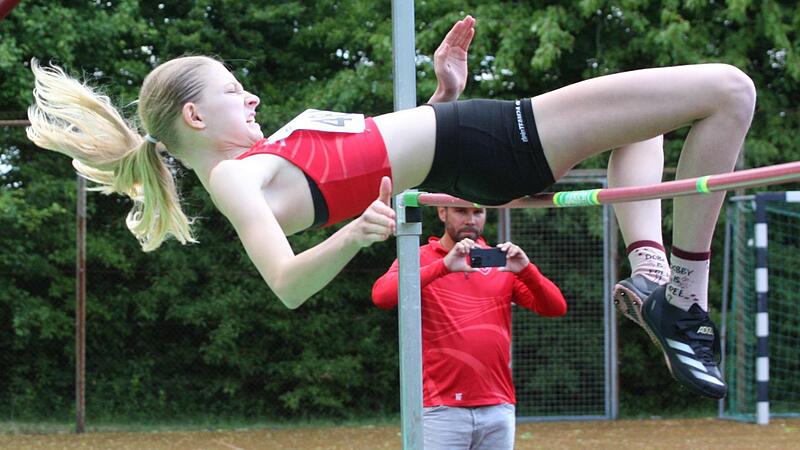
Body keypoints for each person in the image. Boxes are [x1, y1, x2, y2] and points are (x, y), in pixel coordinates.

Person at [26, 15, 754, 399]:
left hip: (471, 142)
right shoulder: (233, 182)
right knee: (729, 91)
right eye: (231, 90)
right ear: (192, 118)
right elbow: (284, 285)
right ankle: (683, 300)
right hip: (489, 142)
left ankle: (655, 278)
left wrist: (443, 97)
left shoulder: (251, 163)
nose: (249, 96)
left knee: (655, 115)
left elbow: (388, 151)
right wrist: (355, 237)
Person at [372, 205, 566, 449]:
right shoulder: (421, 257)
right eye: (461, 212)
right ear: (442, 213)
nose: (471, 220)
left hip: (497, 404)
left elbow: (555, 307)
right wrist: (443, 266)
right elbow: (381, 296)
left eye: (478, 213)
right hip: (440, 407)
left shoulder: (500, 261)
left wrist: (527, 270)